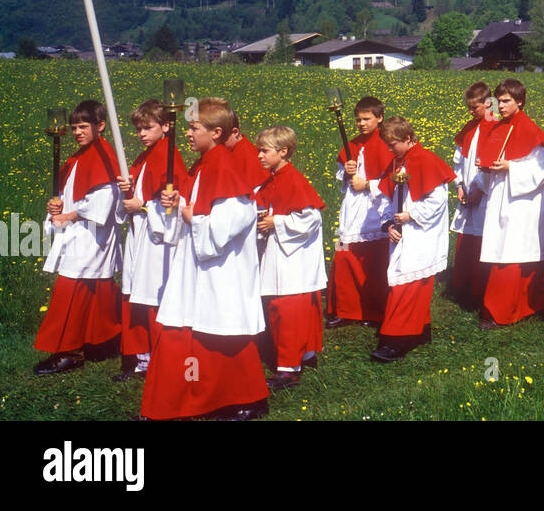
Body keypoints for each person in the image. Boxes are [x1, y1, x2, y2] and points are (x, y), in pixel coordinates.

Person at [141, 97, 268, 420]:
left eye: (194, 127)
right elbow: (196, 204)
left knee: (220, 335)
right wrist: (178, 200)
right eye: (187, 127)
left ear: (216, 132)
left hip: (220, 268)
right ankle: (187, 401)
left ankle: (243, 398)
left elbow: (236, 218)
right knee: (191, 333)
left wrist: (189, 216)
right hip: (197, 265)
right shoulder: (204, 164)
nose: (187, 134)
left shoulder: (223, 164)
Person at [34, 100, 122, 376]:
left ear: (101, 126)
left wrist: (68, 216)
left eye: (84, 126)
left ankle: (67, 350)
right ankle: (102, 341)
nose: (77, 132)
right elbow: (70, 195)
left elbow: (101, 205)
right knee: (95, 292)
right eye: (74, 127)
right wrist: (55, 208)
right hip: (78, 233)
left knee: (72, 290)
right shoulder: (78, 157)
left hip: (92, 236)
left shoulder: (104, 156)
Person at [113, 99, 188, 381]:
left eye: (148, 128)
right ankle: (142, 358)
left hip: (158, 240)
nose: (141, 134)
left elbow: (172, 206)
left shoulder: (167, 156)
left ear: (166, 127)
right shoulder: (145, 157)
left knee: (154, 293)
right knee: (137, 294)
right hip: (140, 234)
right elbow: (140, 195)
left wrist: (141, 206)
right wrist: (129, 192)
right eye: (138, 129)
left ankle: (161, 357)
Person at [373, 117, 455, 361]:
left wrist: (412, 215)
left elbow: (437, 201)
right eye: (387, 145)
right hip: (401, 233)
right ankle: (419, 330)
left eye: (393, 144)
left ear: (408, 139)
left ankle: (398, 339)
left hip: (422, 233)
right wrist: (388, 223)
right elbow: (385, 197)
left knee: (408, 286)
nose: (389, 150)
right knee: (402, 282)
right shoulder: (397, 162)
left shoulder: (427, 161)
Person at [475, 79, 544, 329]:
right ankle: (529, 303)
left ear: (519, 101)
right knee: (506, 250)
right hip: (501, 196)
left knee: (511, 254)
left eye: (506, 100)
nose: (501, 105)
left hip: (522, 202)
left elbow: (540, 170)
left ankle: (499, 311)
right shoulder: (498, 127)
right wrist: (485, 167)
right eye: (498, 101)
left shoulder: (529, 129)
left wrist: (511, 167)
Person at [255, 126, 326, 388]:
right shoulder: (275, 177)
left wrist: (277, 222)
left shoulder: (294, 179)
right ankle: (303, 355)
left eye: (265, 151)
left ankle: (288, 369)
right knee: (281, 307)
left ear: (283, 152)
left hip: (293, 259)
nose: (259, 156)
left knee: (288, 310)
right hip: (280, 252)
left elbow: (311, 218)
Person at [328, 96, 395, 328]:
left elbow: (393, 180)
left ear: (380, 117)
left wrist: (367, 184)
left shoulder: (388, 143)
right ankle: (346, 309)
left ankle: (373, 311)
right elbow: (343, 177)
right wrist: (346, 171)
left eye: (366, 119)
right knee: (344, 255)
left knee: (372, 262)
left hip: (375, 209)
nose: (361, 124)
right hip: (352, 208)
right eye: (358, 120)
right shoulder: (353, 144)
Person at [448, 81, 496, 309]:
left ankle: (481, 288)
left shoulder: (495, 125)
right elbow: (459, 161)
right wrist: (459, 185)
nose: (470, 112)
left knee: (483, 239)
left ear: (488, 104)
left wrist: (481, 188)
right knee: (466, 239)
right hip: (467, 192)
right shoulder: (469, 128)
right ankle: (463, 286)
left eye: (474, 108)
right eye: (468, 107)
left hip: (486, 194)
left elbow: (492, 163)